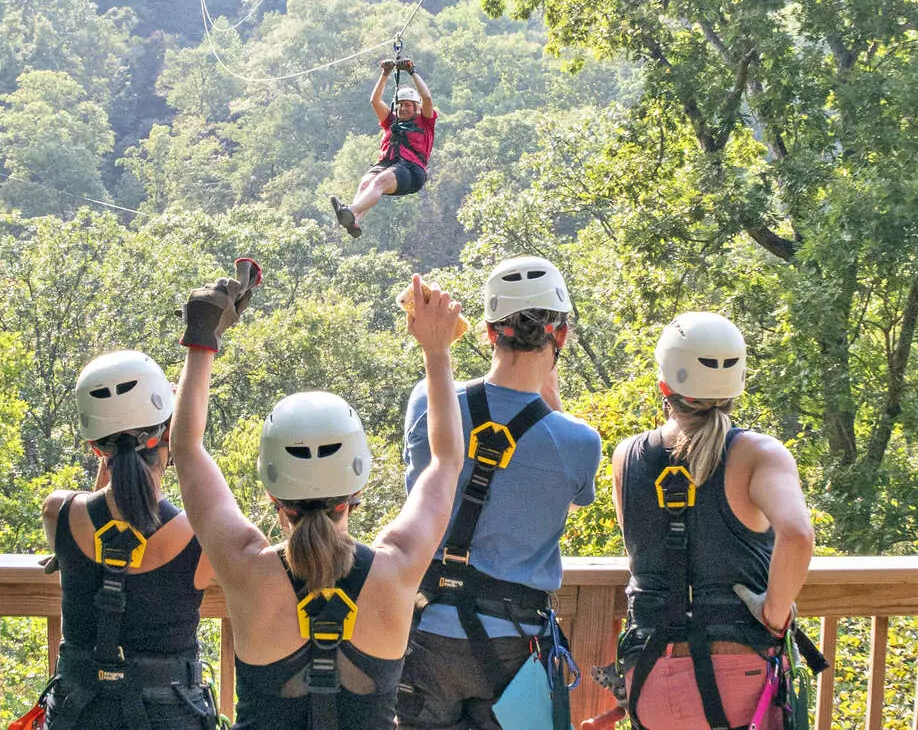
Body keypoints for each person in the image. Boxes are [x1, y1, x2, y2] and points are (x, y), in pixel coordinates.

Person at [170, 260, 468, 729]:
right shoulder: (397, 566)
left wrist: (202, 339)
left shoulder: (245, 566)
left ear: (273, 492)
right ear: (358, 486)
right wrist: (437, 351)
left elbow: (186, 449)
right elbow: (447, 459)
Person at [399, 256, 602, 730]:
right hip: (516, 642)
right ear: (561, 335)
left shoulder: (427, 399)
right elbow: (570, 499)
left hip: (426, 628)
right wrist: (550, 402)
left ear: (490, 333)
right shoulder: (577, 441)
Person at [610, 312, 815, 730]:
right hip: (737, 671)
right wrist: (774, 615)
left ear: (665, 384)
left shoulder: (627, 455)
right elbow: (796, 535)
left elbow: (640, 548)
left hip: (648, 669)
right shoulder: (759, 454)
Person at [39, 350, 220, 730]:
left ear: (95, 448)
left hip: (79, 710)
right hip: (170, 712)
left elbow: (105, 511)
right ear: (167, 433)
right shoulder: (199, 535)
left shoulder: (59, 513)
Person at [330, 57, 437, 238]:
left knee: (379, 181)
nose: (404, 109)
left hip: (411, 170)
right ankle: (354, 222)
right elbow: (375, 101)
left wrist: (412, 71)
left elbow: (426, 97)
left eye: (408, 105)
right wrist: (385, 74)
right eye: (401, 105)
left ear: (415, 107)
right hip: (388, 164)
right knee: (366, 182)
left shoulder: (425, 121)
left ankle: (350, 211)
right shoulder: (390, 121)